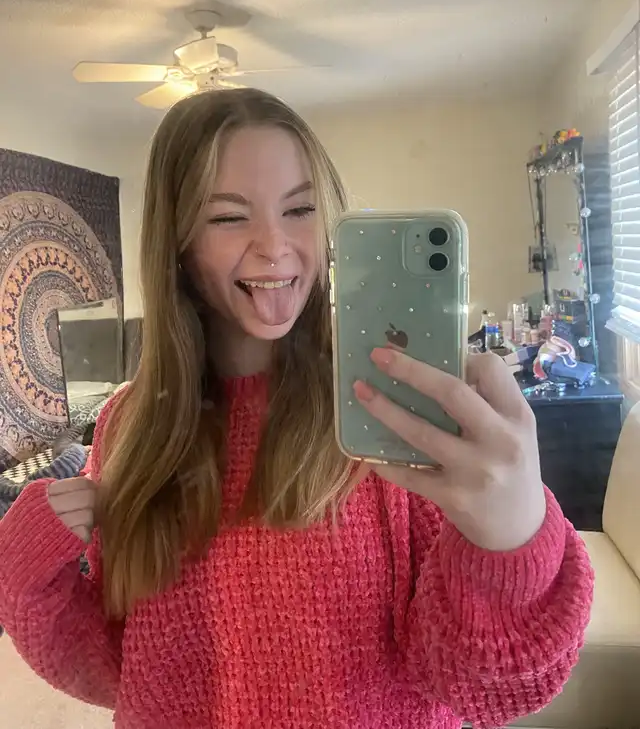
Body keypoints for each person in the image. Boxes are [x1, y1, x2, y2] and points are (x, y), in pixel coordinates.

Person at [0, 88, 593, 729]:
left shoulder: (387, 414)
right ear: (179, 242)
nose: (276, 245)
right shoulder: (130, 424)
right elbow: (123, 668)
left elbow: (478, 686)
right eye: (230, 217)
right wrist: (24, 570)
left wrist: (510, 540)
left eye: (301, 208)